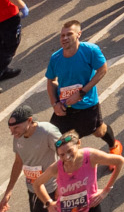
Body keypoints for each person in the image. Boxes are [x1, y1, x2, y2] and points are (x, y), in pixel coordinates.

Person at [44, 20, 116, 151]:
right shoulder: (55, 58)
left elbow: (102, 69)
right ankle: (70, 161)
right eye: (62, 35)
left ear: (79, 34)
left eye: (69, 34)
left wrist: (81, 93)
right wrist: (55, 103)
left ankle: (114, 146)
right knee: (56, 138)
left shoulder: (90, 50)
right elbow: (51, 81)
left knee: (99, 131)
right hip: (64, 105)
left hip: (87, 104)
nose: (64, 38)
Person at [32, 132, 122, 212]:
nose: (67, 157)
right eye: (62, 155)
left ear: (78, 143)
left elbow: (120, 161)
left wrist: (106, 190)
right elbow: (37, 184)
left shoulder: (90, 156)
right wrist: (49, 203)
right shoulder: (56, 168)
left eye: (70, 151)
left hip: (91, 207)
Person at [0, 106, 60, 212]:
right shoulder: (18, 137)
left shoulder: (47, 132)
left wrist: (61, 185)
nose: (12, 132)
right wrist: (8, 192)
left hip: (51, 189)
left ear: (29, 120)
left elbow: (65, 156)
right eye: (11, 129)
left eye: (16, 128)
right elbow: (18, 162)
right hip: (33, 189)